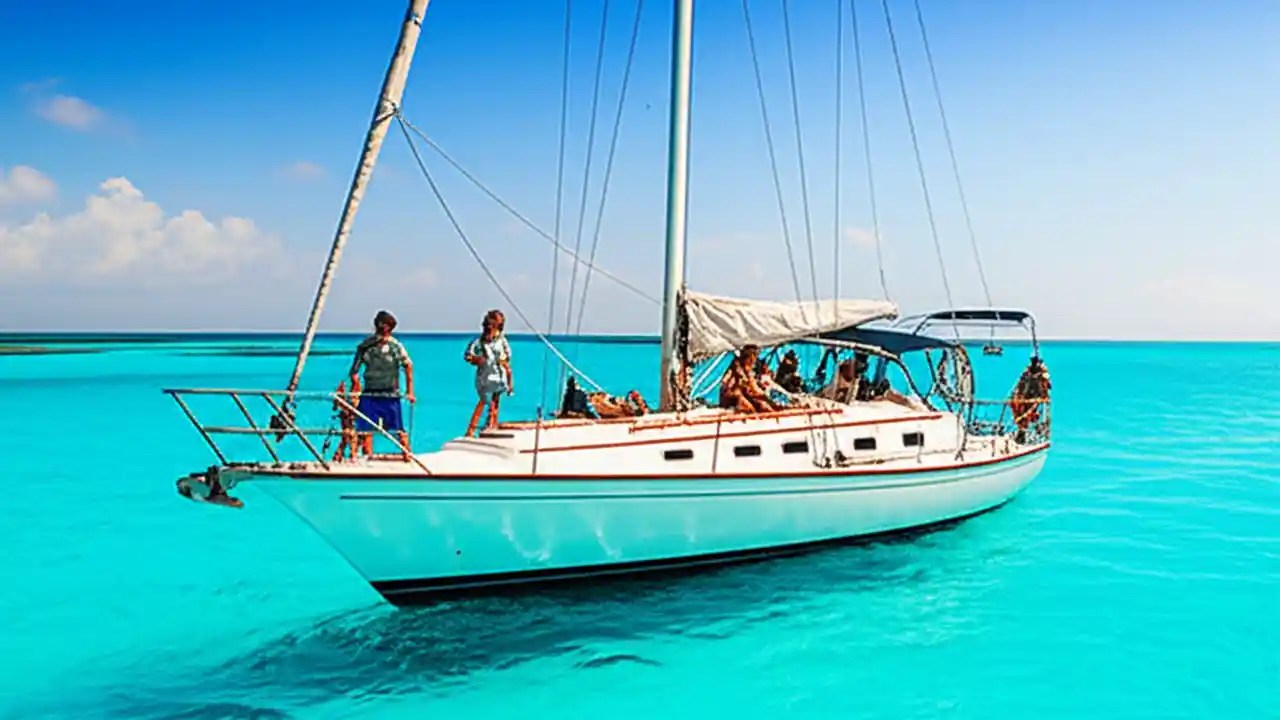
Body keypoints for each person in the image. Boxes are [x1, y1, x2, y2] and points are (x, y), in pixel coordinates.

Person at [349, 310, 414, 460]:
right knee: (365, 429)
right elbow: (354, 371)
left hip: (390, 393)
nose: (385, 332)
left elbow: (408, 366)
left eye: (388, 329)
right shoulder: (365, 346)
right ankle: (367, 457)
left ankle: (407, 456)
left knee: (398, 429)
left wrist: (410, 392)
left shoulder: (395, 346)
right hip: (370, 392)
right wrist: (355, 390)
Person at [464, 309, 514, 436]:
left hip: (498, 373)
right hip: (485, 374)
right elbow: (468, 355)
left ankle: (491, 425)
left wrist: (505, 365)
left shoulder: (501, 340)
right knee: (484, 400)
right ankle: (471, 429)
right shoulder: (479, 341)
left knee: (495, 400)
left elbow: (508, 355)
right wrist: (477, 360)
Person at [720, 344, 777, 413]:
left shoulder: (747, 371)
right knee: (749, 406)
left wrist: (766, 398)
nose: (755, 361)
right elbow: (727, 387)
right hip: (732, 399)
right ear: (751, 357)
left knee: (763, 405)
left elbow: (753, 387)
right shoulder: (736, 368)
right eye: (755, 357)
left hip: (741, 396)